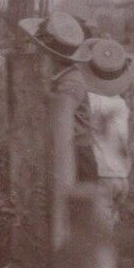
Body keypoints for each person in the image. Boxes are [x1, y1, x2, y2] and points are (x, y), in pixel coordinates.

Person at [18, 12, 98, 180]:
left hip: (74, 158)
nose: (33, 51)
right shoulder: (59, 75)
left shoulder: (71, 85)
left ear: (47, 53)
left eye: (36, 47)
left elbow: (63, 131)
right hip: (64, 153)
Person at [80, 37, 134, 223]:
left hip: (103, 173)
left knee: (98, 227)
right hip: (121, 175)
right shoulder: (120, 104)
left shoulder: (89, 101)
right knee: (110, 220)